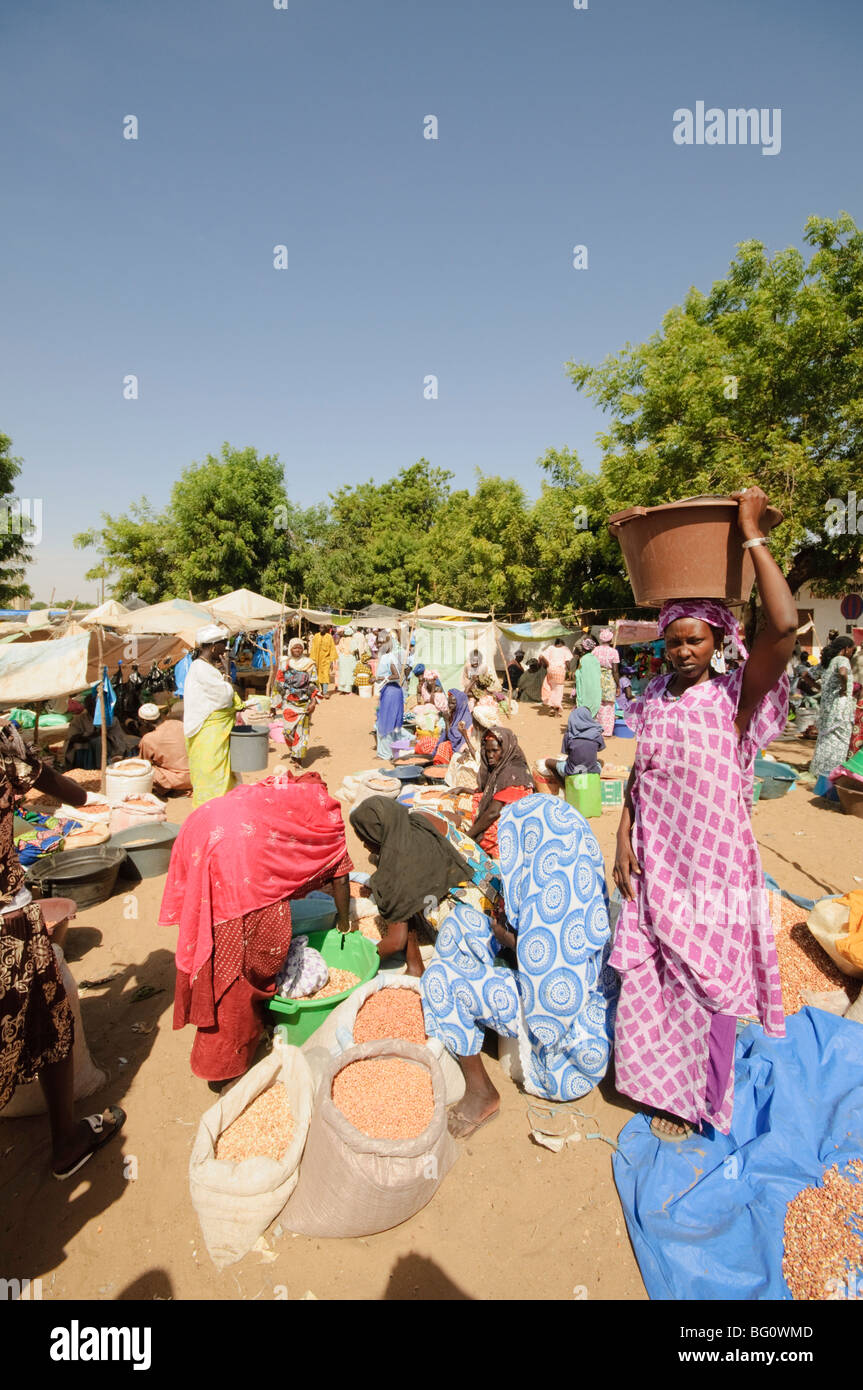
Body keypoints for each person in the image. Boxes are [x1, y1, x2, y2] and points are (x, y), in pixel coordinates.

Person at [612, 486, 797, 1141]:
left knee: (711, 986)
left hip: (713, 871)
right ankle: (656, 1087)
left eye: (694, 639)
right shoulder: (656, 698)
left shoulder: (732, 700)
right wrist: (622, 835)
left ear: (716, 640)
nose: (683, 651)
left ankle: (706, 1103)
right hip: (658, 861)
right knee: (653, 976)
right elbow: (642, 771)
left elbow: (783, 628)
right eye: (673, 641)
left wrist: (749, 532)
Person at [421, 796, 618, 1137]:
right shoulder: (571, 867)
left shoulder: (554, 895)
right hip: (557, 991)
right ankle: (467, 1029)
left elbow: (551, 992)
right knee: (462, 923)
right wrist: (510, 934)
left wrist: (510, 940)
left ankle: (481, 1092)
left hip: (566, 1050)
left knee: (438, 979)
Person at [162, 771, 352, 1085]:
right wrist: (344, 924)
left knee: (212, 930)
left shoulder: (273, 796)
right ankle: (224, 1067)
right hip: (234, 857)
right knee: (237, 969)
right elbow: (341, 878)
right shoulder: (324, 816)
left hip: (204, 828)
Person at [0, 719, 125, 1178]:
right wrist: (88, 800)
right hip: (8, 925)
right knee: (55, 1021)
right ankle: (66, 1142)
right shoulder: (2, 739)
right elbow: (47, 780)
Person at [350, 796, 492, 976]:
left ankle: (415, 965)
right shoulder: (420, 816)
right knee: (407, 894)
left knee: (402, 900)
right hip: (493, 890)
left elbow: (396, 942)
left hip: (472, 925)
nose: (364, 845)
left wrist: (359, 961)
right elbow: (455, 818)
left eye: (365, 839)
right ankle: (414, 963)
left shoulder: (395, 868)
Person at [183, 625, 243, 807]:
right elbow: (224, 697)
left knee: (221, 773)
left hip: (213, 731)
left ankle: (221, 812)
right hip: (208, 732)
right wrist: (226, 676)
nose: (225, 650)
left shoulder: (205, 667)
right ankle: (210, 813)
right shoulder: (200, 668)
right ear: (214, 646)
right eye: (223, 645)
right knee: (212, 774)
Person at [466, 726, 534, 857]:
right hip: (504, 811)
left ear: (506, 749)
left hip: (512, 825)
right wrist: (466, 790)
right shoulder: (504, 766)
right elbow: (491, 792)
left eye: (495, 751)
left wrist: (468, 835)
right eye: (487, 751)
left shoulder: (513, 774)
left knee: (484, 835)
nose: (490, 756)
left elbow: (493, 812)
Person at [810, 635, 857, 778]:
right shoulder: (842, 659)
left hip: (827, 707)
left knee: (826, 739)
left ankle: (818, 771)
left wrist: (819, 688)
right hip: (840, 708)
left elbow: (806, 675)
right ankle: (833, 773)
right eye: (851, 650)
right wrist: (843, 688)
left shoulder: (826, 663)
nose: (852, 653)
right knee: (840, 740)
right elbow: (843, 673)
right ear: (845, 649)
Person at [278, 638, 319, 764]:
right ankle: (293, 750)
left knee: (302, 732)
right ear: (290, 648)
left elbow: (313, 683)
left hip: (304, 703)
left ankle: (298, 758)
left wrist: (313, 702)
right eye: (295, 647)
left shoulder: (309, 664)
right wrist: (274, 704)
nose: (297, 650)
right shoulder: (285, 663)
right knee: (287, 732)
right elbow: (278, 682)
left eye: (300, 647)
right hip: (288, 702)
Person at [540, 705, 605, 784]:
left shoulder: (569, 735)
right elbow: (600, 748)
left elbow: (567, 752)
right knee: (600, 761)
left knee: (548, 762)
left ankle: (564, 785)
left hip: (571, 771)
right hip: (592, 771)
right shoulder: (597, 733)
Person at [137, 702, 192, 794]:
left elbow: (144, 762)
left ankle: (172, 790)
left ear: (144, 722)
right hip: (196, 774)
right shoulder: (178, 724)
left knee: (144, 769)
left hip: (177, 780)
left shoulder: (148, 738)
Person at [593, 628, 620, 737]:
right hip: (609, 680)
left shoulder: (595, 650)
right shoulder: (614, 652)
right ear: (610, 639)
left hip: (597, 679)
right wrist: (618, 685)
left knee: (597, 704)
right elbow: (615, 671)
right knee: (608, 706)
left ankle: (596, 729)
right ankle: (607, 731)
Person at [375, 664, 405, 760]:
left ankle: (386, 754)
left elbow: (396, 676)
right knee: (391, 722)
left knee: (386, 723)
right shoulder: (389, 658)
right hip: (391, 691)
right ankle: (392, 751)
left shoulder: (390, 659)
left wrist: (379, 678)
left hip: (391, 693)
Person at [538, 637, 573, 713]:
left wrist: (547, 665)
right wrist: (570, 671)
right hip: (560, 672)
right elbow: (567, 662)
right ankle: (556, 710)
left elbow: (541, 656)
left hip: (551, 671)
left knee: (552, 689)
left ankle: (552, 706)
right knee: (558, 691)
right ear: (562, 644)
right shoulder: (565, 649)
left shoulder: (550, 648)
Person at [573, 637, 602, 716]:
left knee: (583, 707)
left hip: (584, 689)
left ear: (583, 648)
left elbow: (578, 674)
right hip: (595, 690)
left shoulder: (583, 659)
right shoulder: (596, 659)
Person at [309, 625, 338, 697]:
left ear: (326, 629)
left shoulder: (329, 637)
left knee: (325, 675)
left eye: (323, 628)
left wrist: (332, 660)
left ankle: (325, 692)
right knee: (318, 675)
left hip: (326, 660)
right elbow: (313, 648)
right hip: (317, 659)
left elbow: (332, 648)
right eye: (320, 628)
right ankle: (321, 690)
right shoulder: (316, 636)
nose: (321, 629)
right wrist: (312, 660)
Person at [336, 626, 358, 694]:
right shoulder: (352, 640)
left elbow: (339, 649)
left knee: (342, 673)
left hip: (342, 658)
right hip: (350, 658)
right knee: (349, 674)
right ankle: (349, 690)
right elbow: (354, 649)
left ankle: (342, 689)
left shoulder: (342, 639)